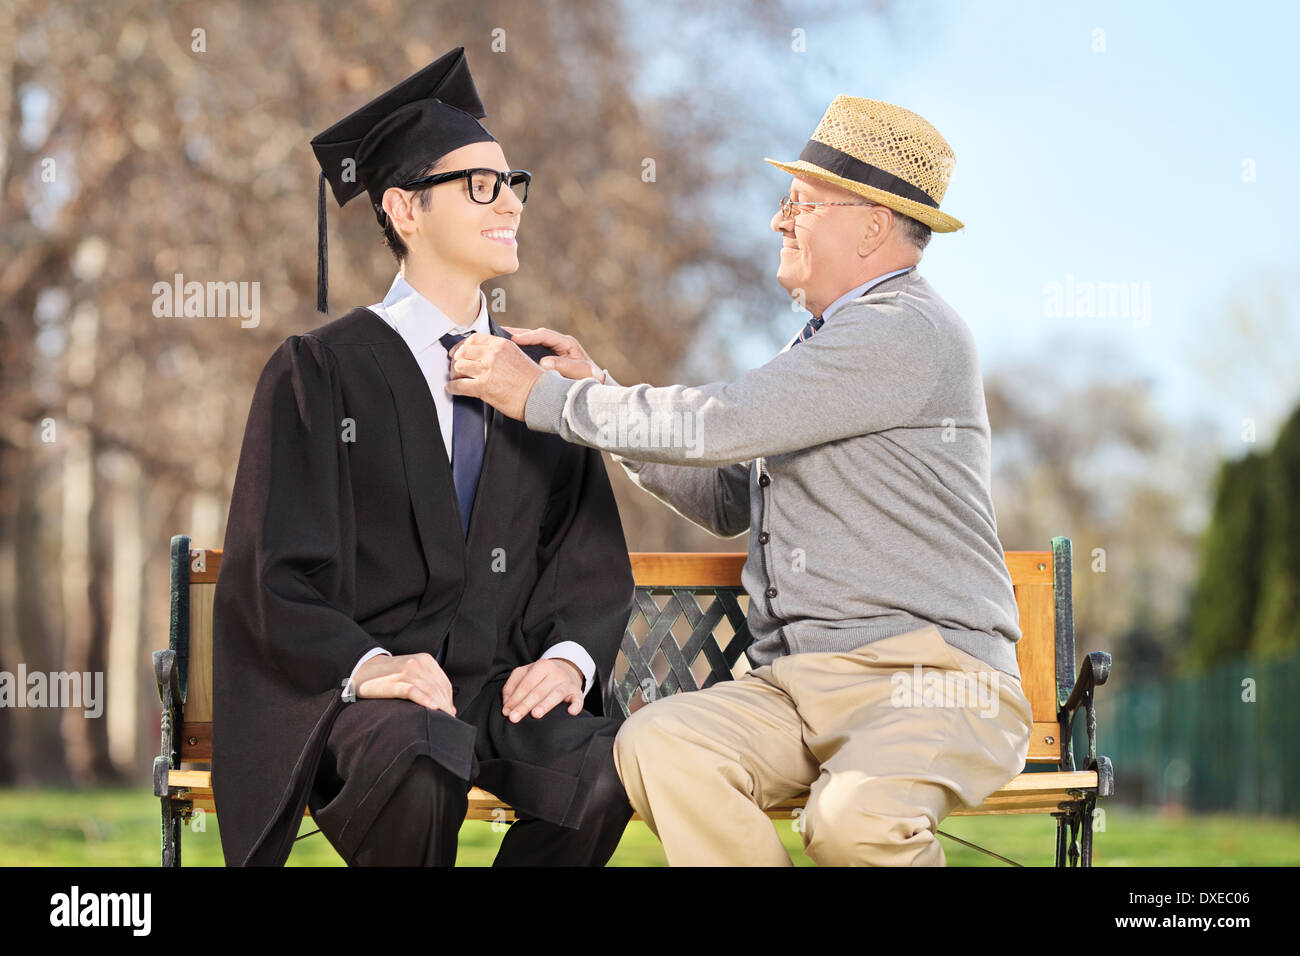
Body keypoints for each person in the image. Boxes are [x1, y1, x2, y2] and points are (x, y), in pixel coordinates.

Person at [444, 96, 1035, 865]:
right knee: (659, 743)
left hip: (929, 682)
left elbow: (723, 420)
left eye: (800, 203)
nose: (777, 222)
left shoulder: (903, 330)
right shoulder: (820, 346)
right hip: (797, 688)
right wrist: (598, 385)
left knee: (852, 821)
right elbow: (728, 496)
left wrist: (547, 399)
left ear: (870, 225)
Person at [211, 48, 635, 867]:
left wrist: (566, 660)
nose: (508, 202)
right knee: (416, 751)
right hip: (375, 706)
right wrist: (371, 665)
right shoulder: (322, 370)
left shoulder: (537, 378)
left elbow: (586, 561)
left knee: (606, 767)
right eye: (481, 184)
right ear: (405, 209)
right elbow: (275, 572)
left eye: (514, 183)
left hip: (501, 694)